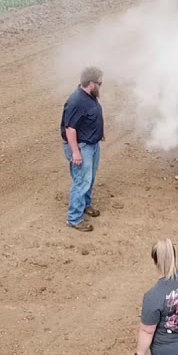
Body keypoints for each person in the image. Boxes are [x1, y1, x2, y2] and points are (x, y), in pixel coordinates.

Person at [61, 67, 104, 232]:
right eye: (100, 83)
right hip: (82, 147)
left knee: (90, 178)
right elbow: (70, 129)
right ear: (92, 83)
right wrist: (76, 152)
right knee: (81, 182)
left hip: (92, 144)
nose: (101, 86)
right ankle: (74, 218)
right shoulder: (76, 101)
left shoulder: (89, 96)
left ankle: (86, 205)